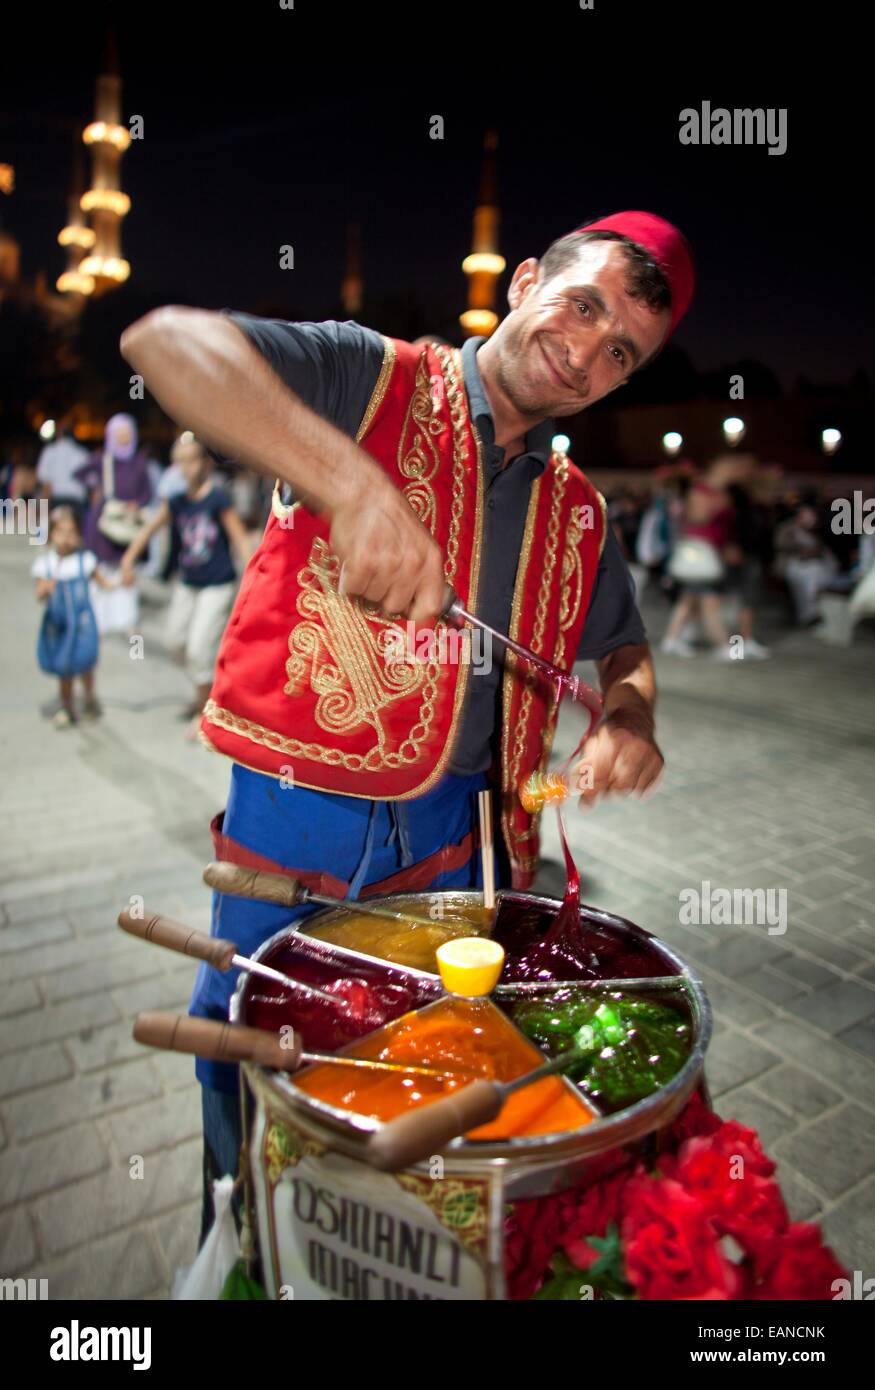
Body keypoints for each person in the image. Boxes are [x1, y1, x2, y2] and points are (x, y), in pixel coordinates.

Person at [120, 209, 696, 1239]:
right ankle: (245, 1232)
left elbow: (625, 649)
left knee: (416, 1064)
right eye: (581, 305)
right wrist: (351, 485)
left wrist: (626, 715)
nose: (584, 352)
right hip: (296, 823)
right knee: (260, 1048)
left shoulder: (579, 510)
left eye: (620, 352)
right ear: (523, 281)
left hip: (461, 846)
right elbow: (163, 342)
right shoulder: (371, 379)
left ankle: (375, 1243)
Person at [120, 433, 253, 734]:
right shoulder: (176, 502)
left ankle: (203, 711)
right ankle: (205, 688)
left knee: (198, 650)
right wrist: (129, 560)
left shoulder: (218, 497)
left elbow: (240, 539)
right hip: (188, 582)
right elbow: (149, 528)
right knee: (175, 643)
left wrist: (254, 578)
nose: (186, 468)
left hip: (217, 584)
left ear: (205, 462)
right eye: (179, 462)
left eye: (191, 460)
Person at [661, 454, 754, 658]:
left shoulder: (724, 492)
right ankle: (722, 644)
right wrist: (716, 506)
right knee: (708, 599)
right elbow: (695, 519)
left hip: (710, 550)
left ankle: (673, 639)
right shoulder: (701, 491)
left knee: (690, 599)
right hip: (700, 550)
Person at [32, 505, 116, 727]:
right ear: (51, 534)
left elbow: (104, 583)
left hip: (83, 625)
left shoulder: (85, 560)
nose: (66, 538)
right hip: (58, 626)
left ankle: (89, 697)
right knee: (64, 668)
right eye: (61, 532)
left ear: (79, 536)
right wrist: (45, 589)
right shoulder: (46, 564)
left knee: (86, 663)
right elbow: (39, 594)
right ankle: (66, 704)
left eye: (71, 533)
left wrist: (119, 584)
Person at [74, 413, 154, 636]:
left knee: (126, 570)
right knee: (101, 570)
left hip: (128, 526)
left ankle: (126, 619)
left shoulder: (139, 463)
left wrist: (136, 506)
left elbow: (148, 494)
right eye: (119, 434)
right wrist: (95, 491)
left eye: (127, 433)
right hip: (105, 525)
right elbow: (80, 474)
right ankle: (98, 619)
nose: (123, 438)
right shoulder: (103, 460)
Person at [773, 500, 838, 626]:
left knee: (815, 575)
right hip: (792, 564)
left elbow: (819, 549)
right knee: (805, 579)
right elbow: (781, 546)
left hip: (812, 565)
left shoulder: (812, 531)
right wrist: (803, 550)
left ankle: (811, 612)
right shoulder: (787, 528)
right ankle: (808, 614)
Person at [35, 418, 88, 518]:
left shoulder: (49, 451)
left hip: (57, 501)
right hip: (77, 502)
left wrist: (44, 509)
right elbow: (88, 483)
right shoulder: (83, 453)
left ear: (58, 434)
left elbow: (46, 482)